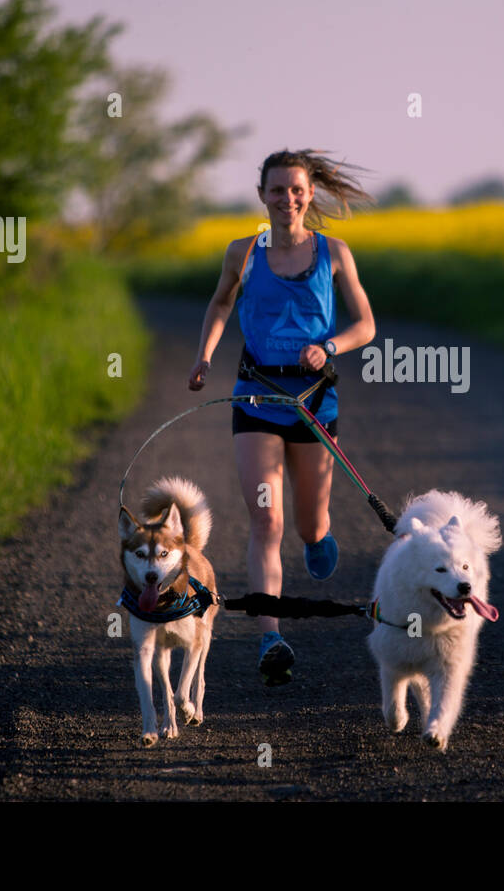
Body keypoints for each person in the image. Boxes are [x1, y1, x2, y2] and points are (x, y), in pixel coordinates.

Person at [187, 149, 376, 684]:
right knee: (266, 519)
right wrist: (204, 354)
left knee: (310, 524)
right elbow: (221, 303)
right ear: (262, 196)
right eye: (276, 190)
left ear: (309, 193)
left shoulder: (334, 253)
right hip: (257, 395)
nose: (287, 199)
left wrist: (331, 346)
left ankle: (317, 538)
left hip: (316, 400)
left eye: (296, 189)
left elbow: (365, 325)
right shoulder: (243, 252)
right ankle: (271, 635)